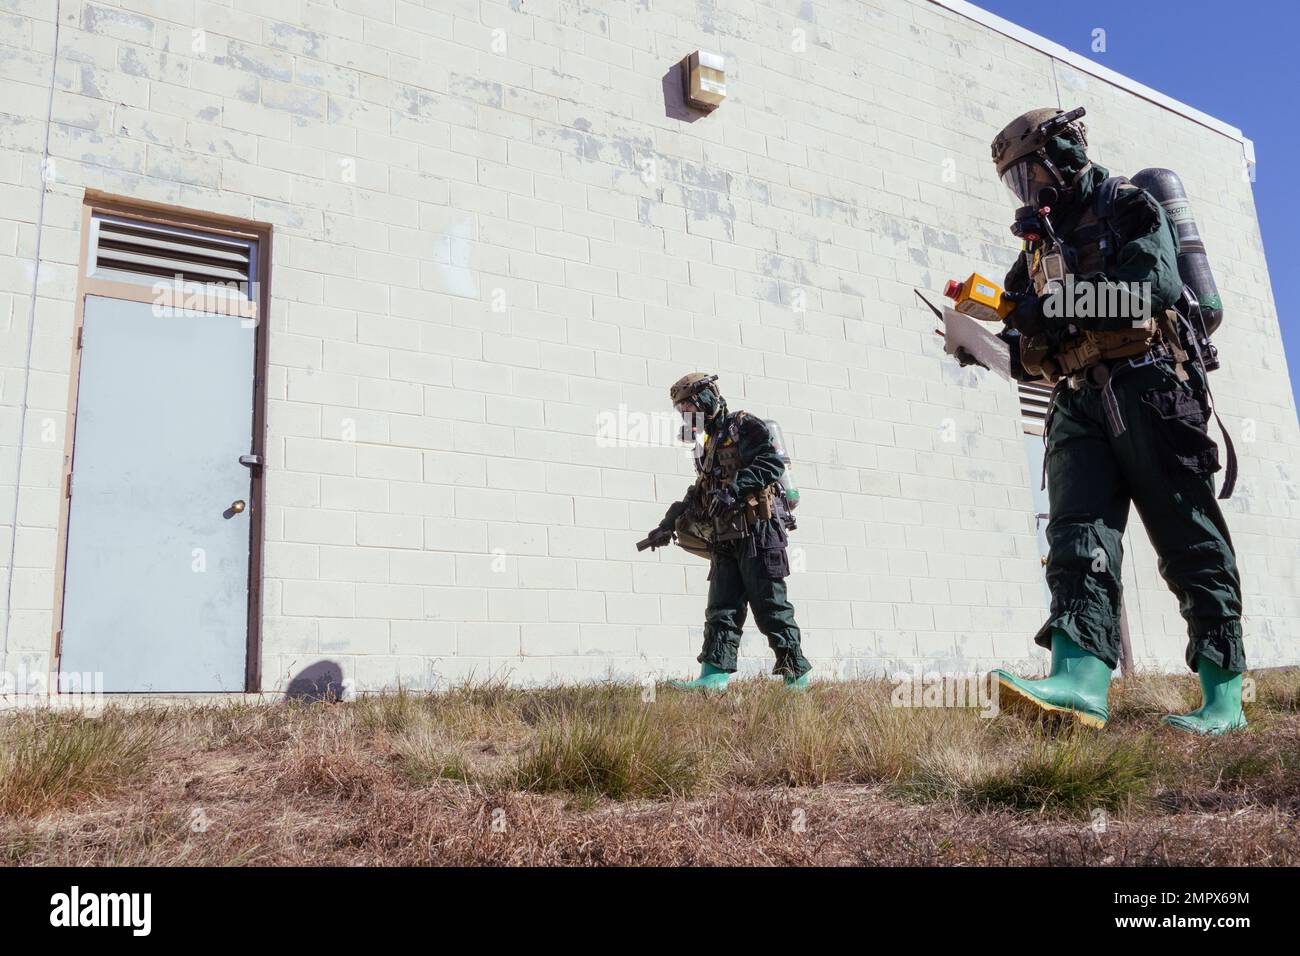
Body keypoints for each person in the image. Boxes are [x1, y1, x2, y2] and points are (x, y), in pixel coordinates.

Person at [984, 107, 1246, 734]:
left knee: (1188, 538)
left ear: (1066, 150)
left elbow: (1147, 288)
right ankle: (1079, 680)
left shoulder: (1127, 204)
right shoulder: (1036, 250)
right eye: (1016, 184)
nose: (1029, 191)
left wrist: (1059, 305)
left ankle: (1223, 697)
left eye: (1031, 174)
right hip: (1075, 401)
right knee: (1077, 539)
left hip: (1149, 385)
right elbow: (1025, 348)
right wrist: (988, 339)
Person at [641, 373, 812, 691]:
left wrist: (735, 489)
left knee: (770, 607)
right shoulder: (707, 444)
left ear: (706, 399)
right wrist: (667, 525)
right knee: (721, 608)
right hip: (725, 538)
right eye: (681, 410)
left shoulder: (743, 425)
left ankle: (796, 676)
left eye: (688, 407)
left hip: (759, 533)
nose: (685, 415)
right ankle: (713, 676)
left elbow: (771, 463)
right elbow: (700, 492)